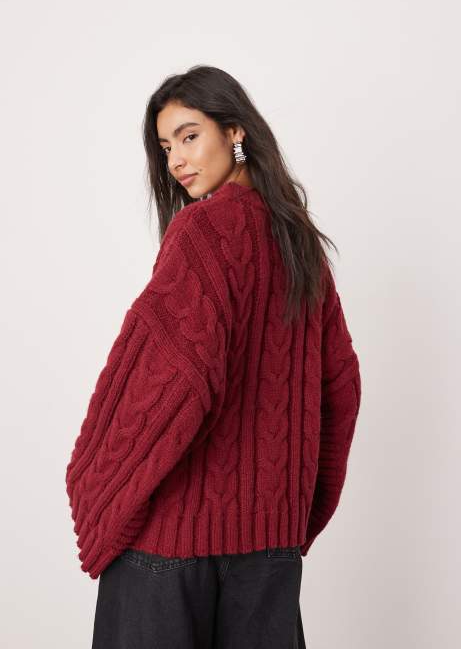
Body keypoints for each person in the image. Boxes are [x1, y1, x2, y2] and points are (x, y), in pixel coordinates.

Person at [65, 65, 362, 649]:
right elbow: (342, 387)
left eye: (190, 136)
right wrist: (294, 515)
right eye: (165, 147)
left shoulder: (202, 231)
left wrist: (95, 490)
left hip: (171, 547)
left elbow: (168, 379)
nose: (176, 160)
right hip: (270, 549)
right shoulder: (298, 239)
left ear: (235, 131)